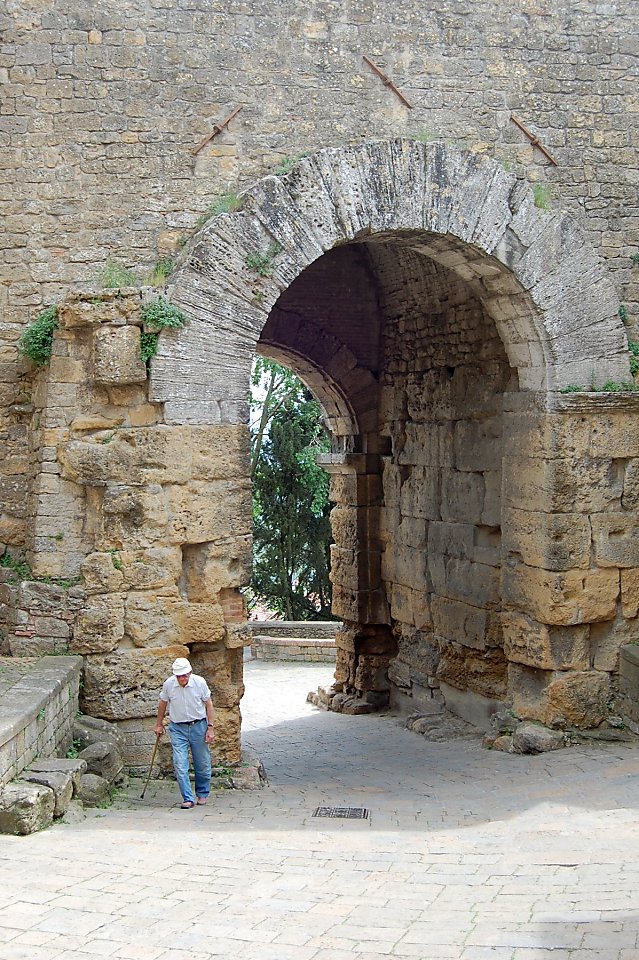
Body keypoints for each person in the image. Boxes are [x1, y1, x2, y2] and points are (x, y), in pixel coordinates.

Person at [155, 657, 214, 809]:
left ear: (190, 673)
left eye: (184, 675)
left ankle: (202, 793)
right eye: (179, 676)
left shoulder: (199, 682)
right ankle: (187, 798)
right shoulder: (169, 684)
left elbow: (208, 704)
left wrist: (210, 727)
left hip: (199, 726)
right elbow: (163, 703)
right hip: (178, 728)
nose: (182, 678)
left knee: (202, 763)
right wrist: (159, 724)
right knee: (180, 764)